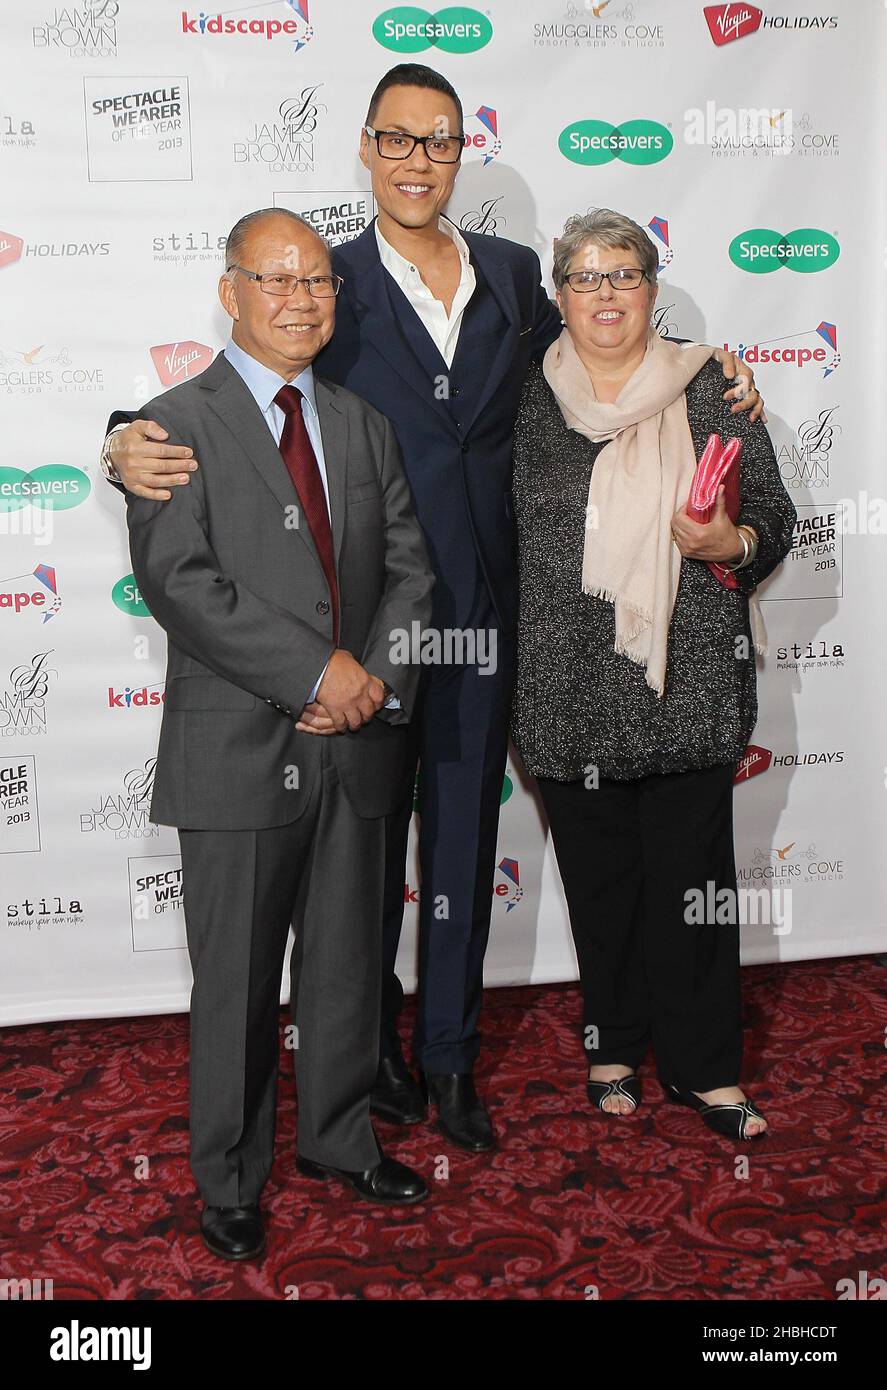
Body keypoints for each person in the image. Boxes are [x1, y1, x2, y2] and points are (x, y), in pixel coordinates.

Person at [100, 66, 765, 1154]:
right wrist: (122, 435)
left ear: (463, 152)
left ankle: (449, 1057)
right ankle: (362, 1058)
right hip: (358, 629)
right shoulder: (327, 282)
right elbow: (240, 382)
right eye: (397, 140)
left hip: (490, 613)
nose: (418, 159)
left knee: (457, 851)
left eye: (440, 141)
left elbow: (606, 356)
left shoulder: (509, 275)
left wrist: (716, 368)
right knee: (354, 868)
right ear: (365, 150)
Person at [124, 207, 435, 1261]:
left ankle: (341, 1140)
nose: (301, 299)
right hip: (236, 751)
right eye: (276, 280)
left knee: (349, 963)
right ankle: (231, 1177)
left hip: (354, 746)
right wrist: (311, 672)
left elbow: (408, 569)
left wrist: (371, 680)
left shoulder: (361, 422)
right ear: (230, 291)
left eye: (317, 282)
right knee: (237, 983)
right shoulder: (169, 425)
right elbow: (182, 585)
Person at [510, 209, 796, 1140]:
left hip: (689, 681)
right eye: (584, 277)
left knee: (692, 886)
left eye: (622, 274)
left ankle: (707, 1069)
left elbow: (775, 523)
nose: (604, 293)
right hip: (564, 685)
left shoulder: (712, 388)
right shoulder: (520, 396)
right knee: (600, 890)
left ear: (651, 287)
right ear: (557, 294)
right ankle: (612, 1045)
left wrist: (733, 541)